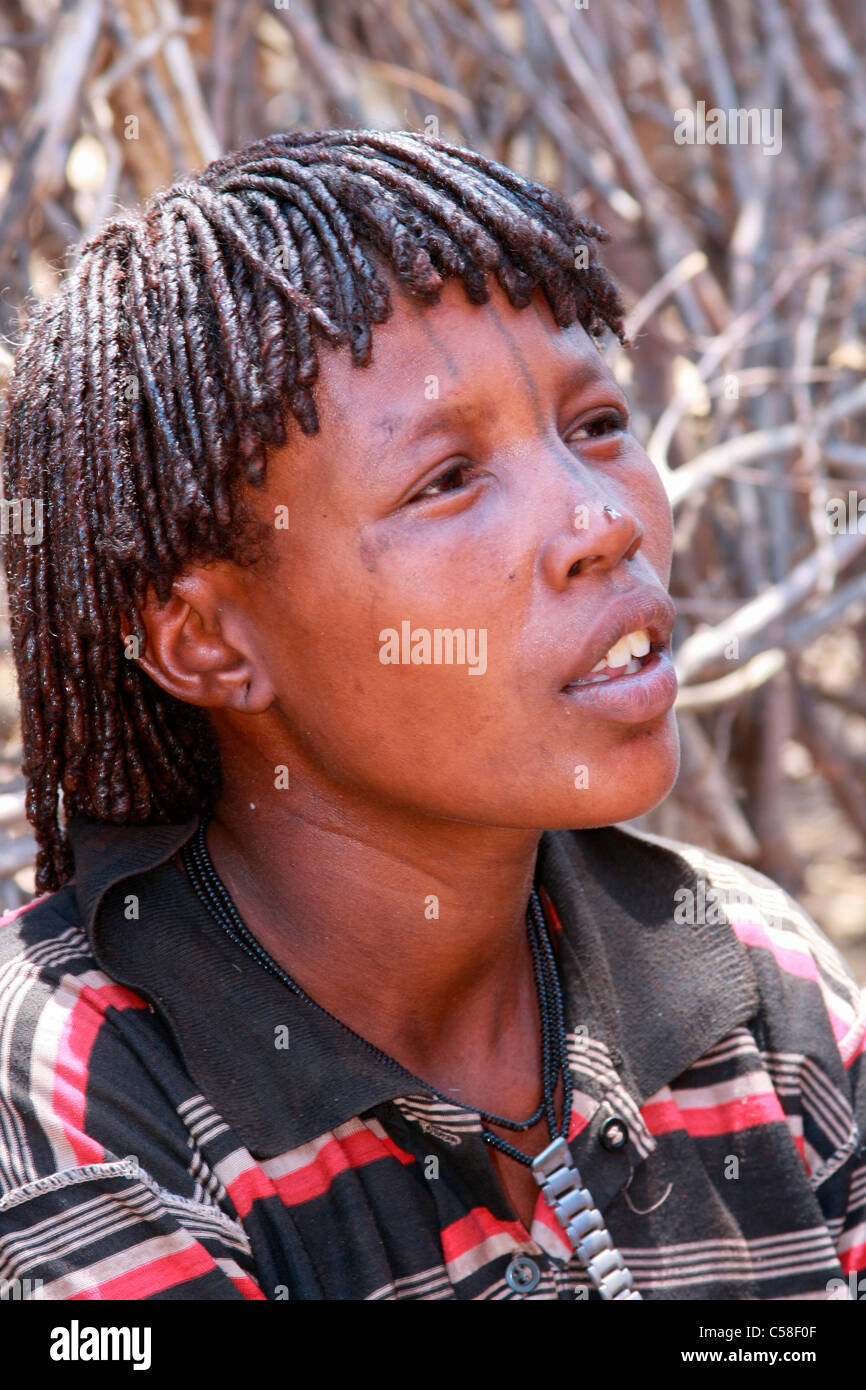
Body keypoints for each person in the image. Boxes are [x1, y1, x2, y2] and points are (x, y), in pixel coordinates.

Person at [0, 129, 863, 1301]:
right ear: (204, 639)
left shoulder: (745, 983)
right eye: (445, 479)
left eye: (595, 422)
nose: (600, 519)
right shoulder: (81, 1087)